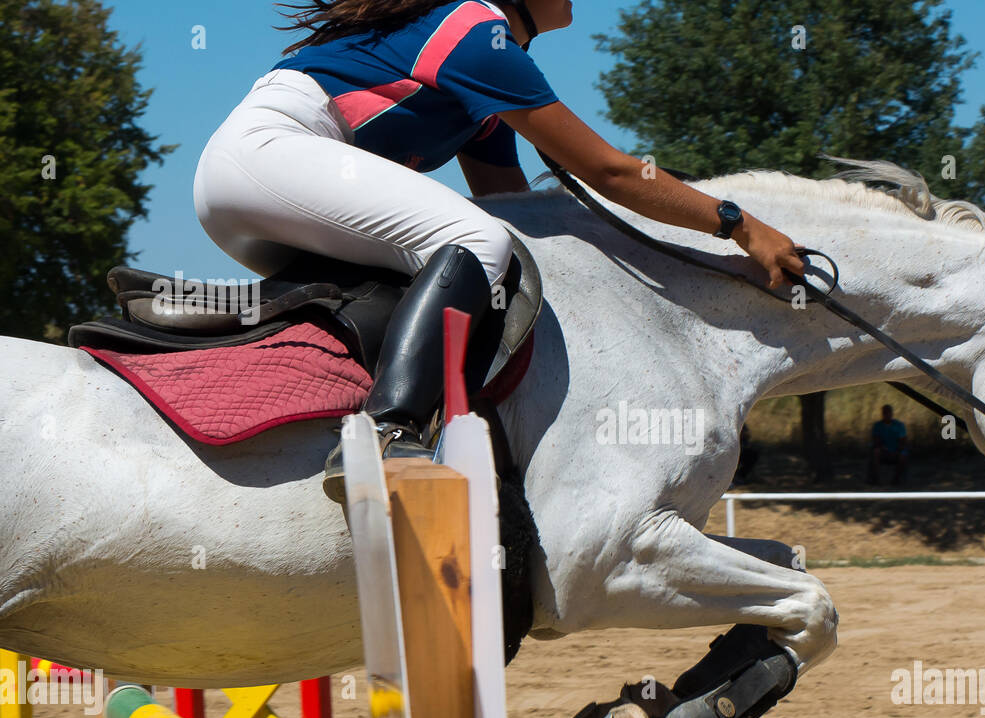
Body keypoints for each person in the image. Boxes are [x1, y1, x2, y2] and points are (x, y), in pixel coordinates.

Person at [193, 0, 806, 502]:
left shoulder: (480, 87)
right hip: (268, 155)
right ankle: (387, 434)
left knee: (483, 257)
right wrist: (738, 224)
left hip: (255, 198)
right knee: (476, 242)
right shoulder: (475, 31)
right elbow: (608, 170)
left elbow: (521, 210)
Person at [868, 404, 908, 485]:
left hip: (896, 451)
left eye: (888, 412)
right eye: (884, 413)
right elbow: (876, 441)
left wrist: (897, 450)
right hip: (883, 452)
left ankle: (896, 480)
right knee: (875, 452)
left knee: (903, 455)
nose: (886, 415)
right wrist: (883, 449)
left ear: (891, 413)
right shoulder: (878, 426)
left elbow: (903, 441)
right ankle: (876, 480)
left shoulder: (899, 425)